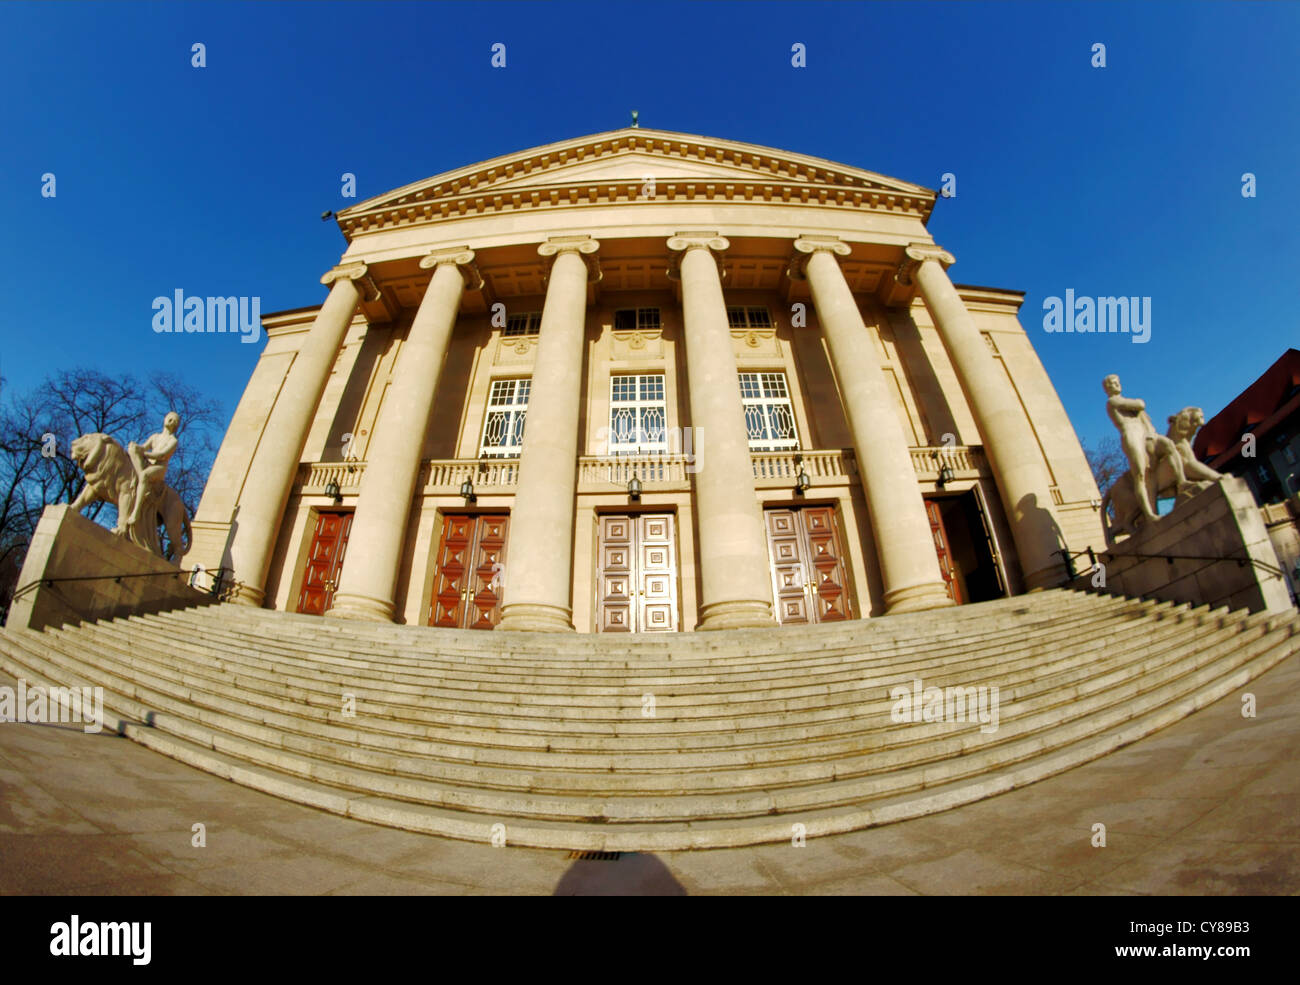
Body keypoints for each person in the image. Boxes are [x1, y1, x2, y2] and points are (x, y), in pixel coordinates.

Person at [1104, 375, 1187, 521]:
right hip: (1132, 436)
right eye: (1111, 383)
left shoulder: (1121, 400)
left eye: (1117, 382)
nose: (1115, 384)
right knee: (1141, 475)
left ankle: (1182, 483)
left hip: (1146, 434)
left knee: (1169, 445)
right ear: (1107, 388)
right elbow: (1140, 404)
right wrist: (1139, 402)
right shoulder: (1113, 401)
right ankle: (1149, 514)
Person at [126, 411, 180, 530]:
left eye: (175, 420)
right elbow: (144, 447)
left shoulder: (173, 441)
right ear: (165, 419)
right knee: (132, 449)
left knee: (144, 475)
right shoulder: (155, 437)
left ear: (176, 426)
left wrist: (145, 454)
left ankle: (136, 512)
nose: (171, 421)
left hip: (159, 467)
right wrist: (135, 447)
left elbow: (162, 455)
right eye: (170, 418)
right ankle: (143, 484)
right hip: (148, 464)